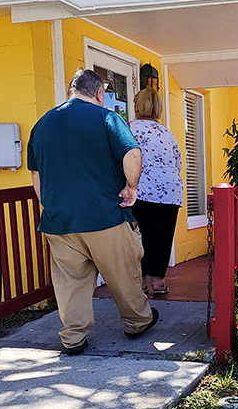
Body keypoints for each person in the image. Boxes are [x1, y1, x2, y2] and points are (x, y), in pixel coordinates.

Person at [27, 68, 159, 355]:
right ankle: (137, 322)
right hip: (106, 216)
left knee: (70, 283)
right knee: (123, 274)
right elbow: (133, 153)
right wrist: (131, 188)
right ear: (99, 93)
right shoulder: (107, 118)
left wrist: (49, 203)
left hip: (59, 222)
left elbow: (36, 174)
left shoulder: (42, 124)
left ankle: (73, 338)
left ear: (72, 91)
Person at [130, 87, 183, 296]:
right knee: (161, 235)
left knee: (137, 237)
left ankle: (141, 283)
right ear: (158, 108)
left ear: (136, 105)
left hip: (139, 191)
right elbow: (177, 162)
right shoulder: (166, 133)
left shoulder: (128, 129)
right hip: (169, 191)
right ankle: (159, 283)